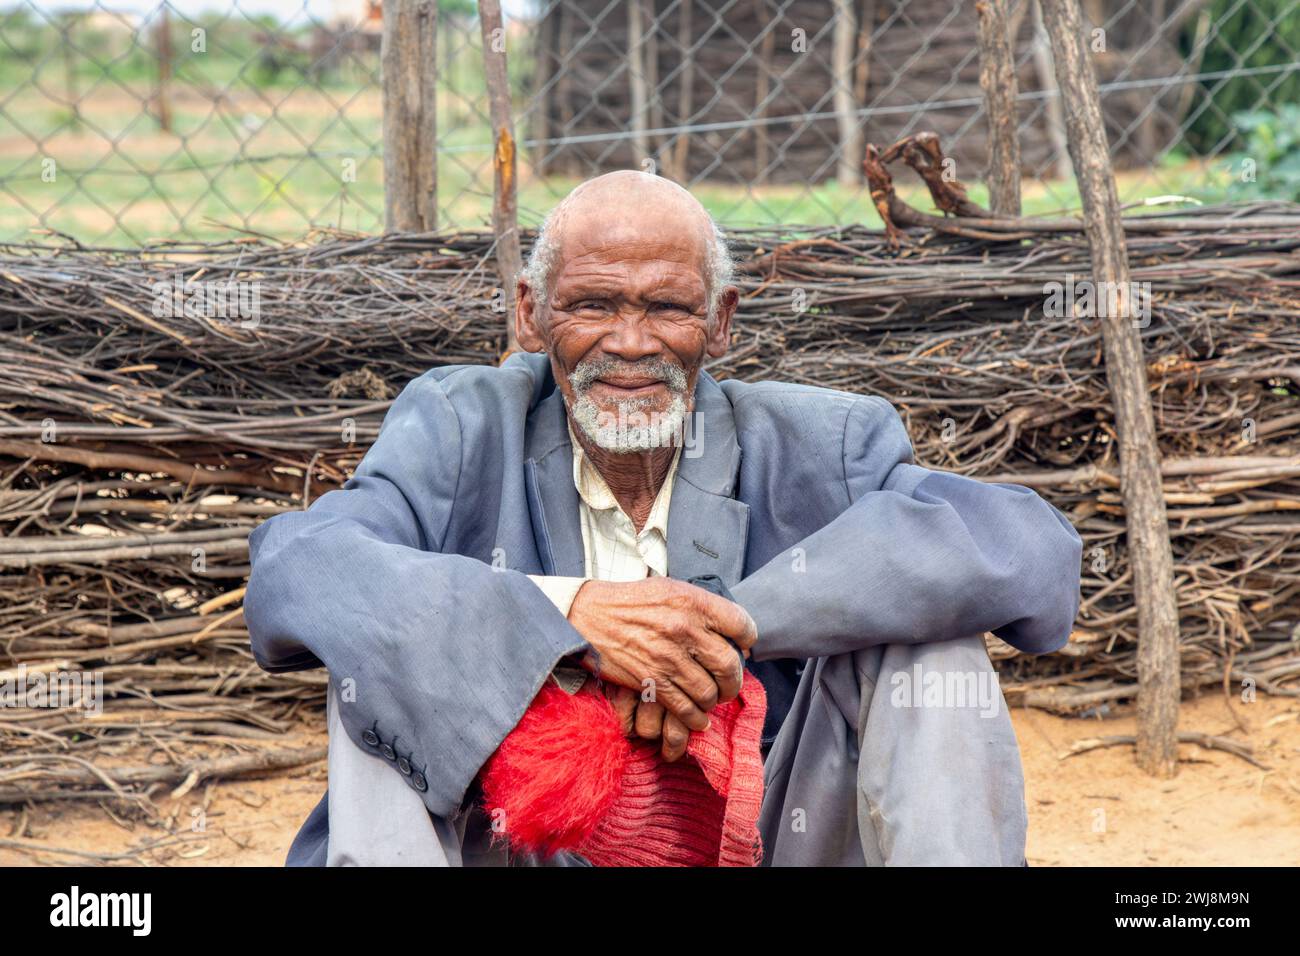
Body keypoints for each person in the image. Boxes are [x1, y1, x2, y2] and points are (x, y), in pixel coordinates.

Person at [244, 171, 1082, 866]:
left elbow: (1030, 553)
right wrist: (567, 618)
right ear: (531, 314)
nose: (631, 342)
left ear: (720, 321)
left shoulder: (825, 443)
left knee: (933, 638)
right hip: (519, 845)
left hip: (762, 842)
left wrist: (713, 629)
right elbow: (301, 568)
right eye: (595, 303)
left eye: (668, 308)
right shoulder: (460, 427)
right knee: (380, 651)